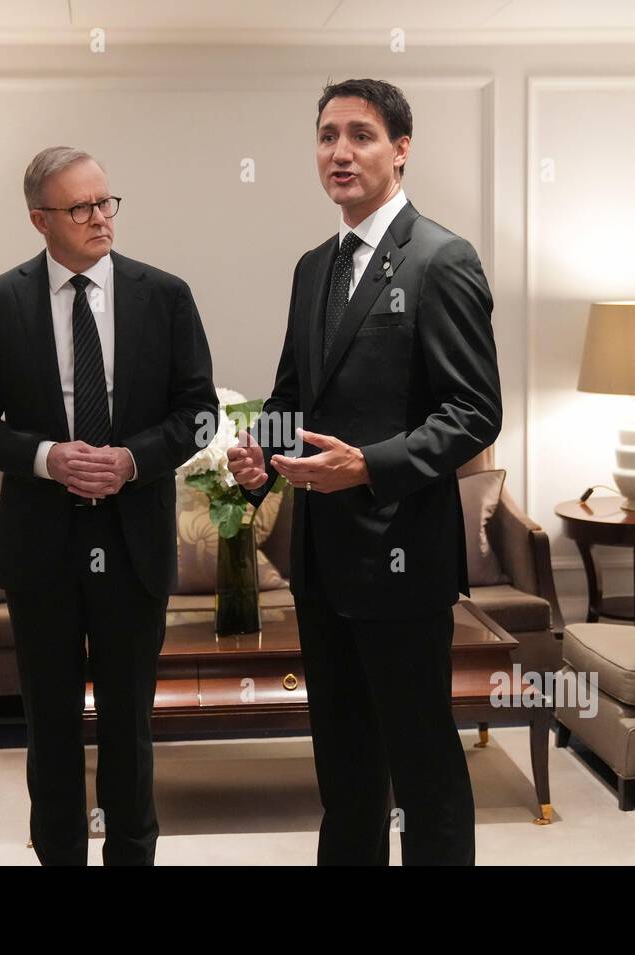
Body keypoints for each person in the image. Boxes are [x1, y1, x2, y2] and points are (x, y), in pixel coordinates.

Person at [228, 79, 503, 865]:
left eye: (361, 135)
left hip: (402, 554)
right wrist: (260, 459)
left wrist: (368, 467)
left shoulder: (443, 258)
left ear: (401, 149)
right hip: (319, 561)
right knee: (344, 769)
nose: (339, 152)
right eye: (326, 136)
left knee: (422, 767)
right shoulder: (313, 266)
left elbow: (474, 412)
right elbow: (292, 396)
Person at [0, 146, 217, 865]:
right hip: (42, 546)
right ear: (40, 219)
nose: (101, 218)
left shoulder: (165, 294)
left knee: (130, 726)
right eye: (81, 208)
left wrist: (131, 460)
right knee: (53, 725)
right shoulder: (0, 299)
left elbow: (200, 416)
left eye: (107, 202)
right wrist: (46, 457)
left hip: (133, 543)